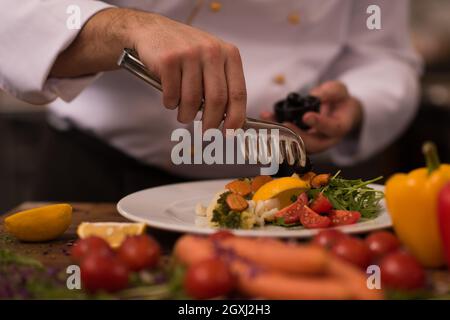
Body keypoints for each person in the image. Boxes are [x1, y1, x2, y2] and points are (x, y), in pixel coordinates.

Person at [0, 0, 420, 201]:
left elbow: (383, 53)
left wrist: (360, 100)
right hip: (103, 178)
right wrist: (120, 27)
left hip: (293, 188)